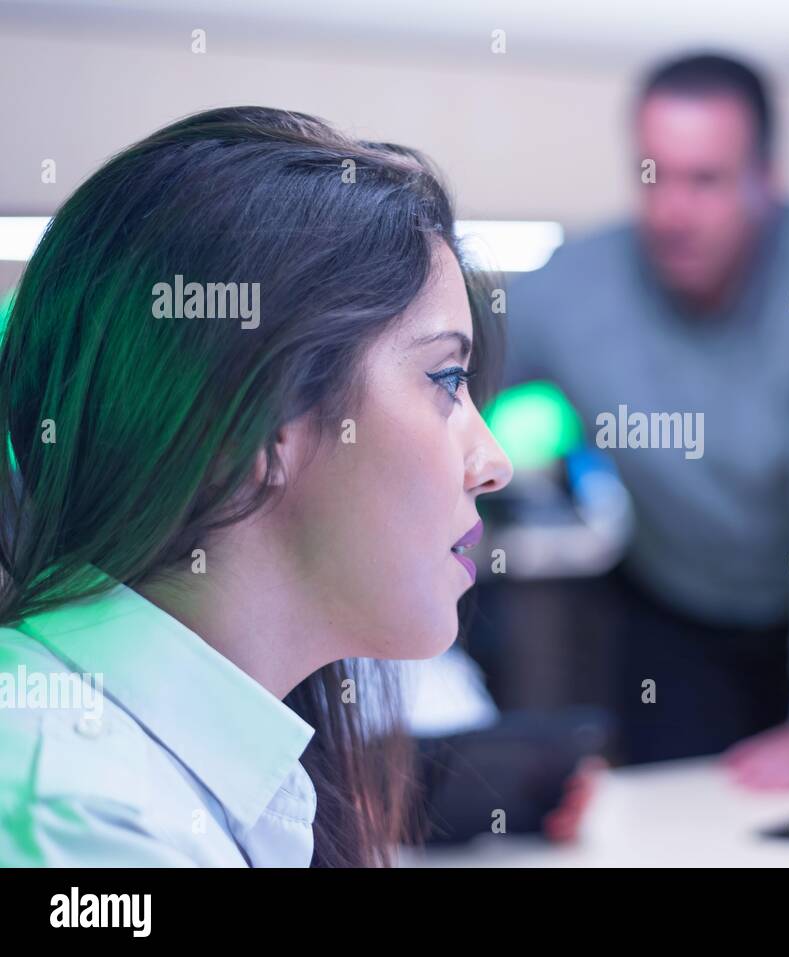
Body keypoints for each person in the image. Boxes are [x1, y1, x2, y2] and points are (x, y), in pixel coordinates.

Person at [0, 106, 513, 866]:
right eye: (446, 379)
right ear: (261, 425)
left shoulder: (193, 765)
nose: (494, 460)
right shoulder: (81, 819)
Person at [504, 53, 789, 787]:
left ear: (768, 181)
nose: (672, 214)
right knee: (681, 813)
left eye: (707, 180)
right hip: (671, 613)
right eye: (653, 176)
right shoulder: (571, 287)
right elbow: (440, 373)